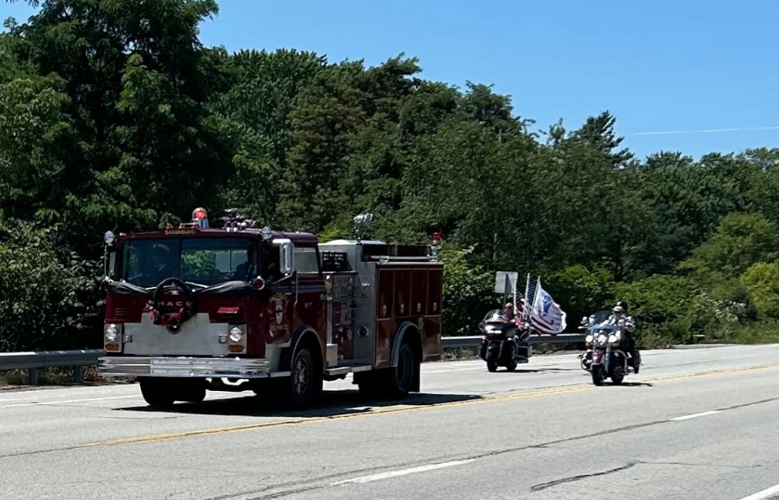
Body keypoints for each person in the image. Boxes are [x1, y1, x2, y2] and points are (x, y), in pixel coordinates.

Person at [605, 303, 641, 374]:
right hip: (610, 337)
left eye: (618, 312)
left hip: (622, 337)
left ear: (622, 312)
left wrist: (629, 326)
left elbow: (631, 327)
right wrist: (596, 326)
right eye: (615, 311)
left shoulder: (627, 319)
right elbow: (604, 324)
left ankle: (630, 363)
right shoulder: (611, 318)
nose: (616, 313)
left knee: (627, 346)